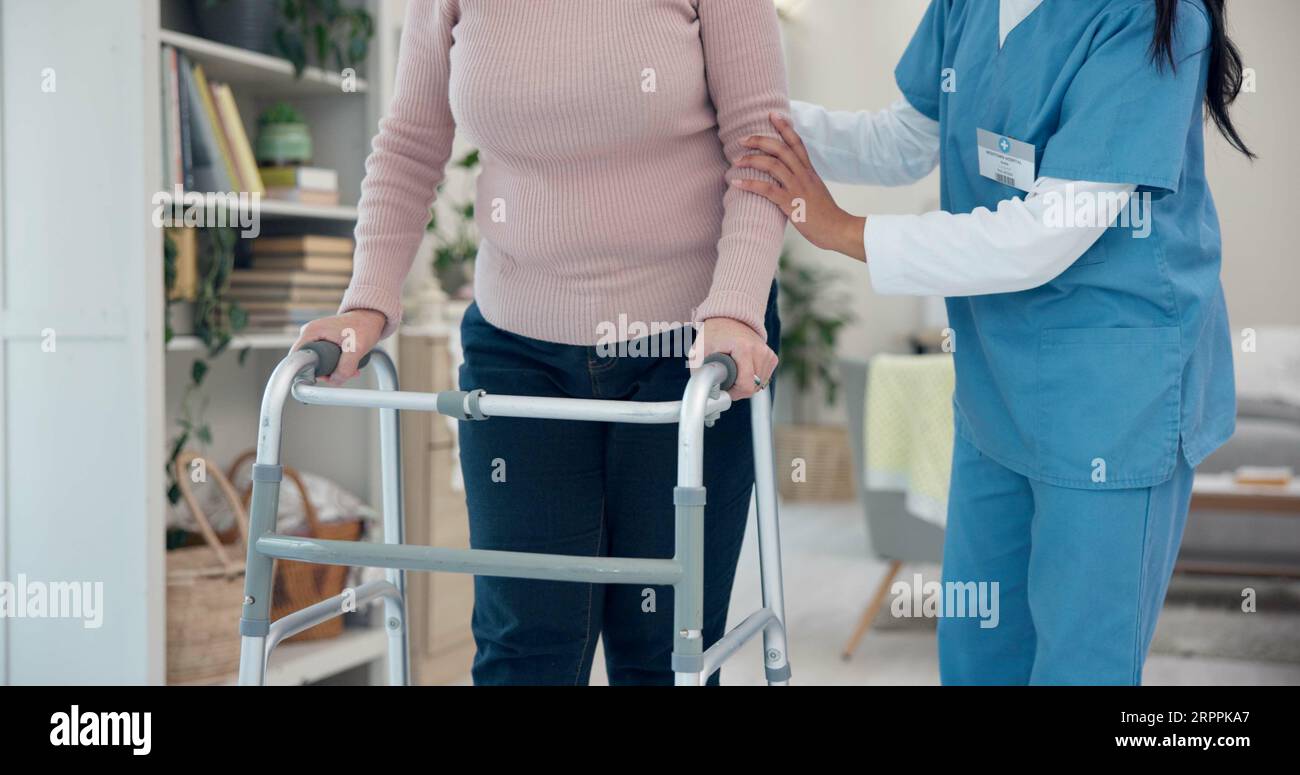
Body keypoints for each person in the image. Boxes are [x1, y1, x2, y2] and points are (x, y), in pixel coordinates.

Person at [733, 0, 1252, 684]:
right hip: (996, 389)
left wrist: (845, 230)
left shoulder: (1152, 17)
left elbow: (1048, 232)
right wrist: (756, 117)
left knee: (1079, 666)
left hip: (1114, 400)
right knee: (979, 654)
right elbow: (905, 139)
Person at [293, 0, 788, 685]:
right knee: (525, 644)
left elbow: (762, 142)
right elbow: (410, 143)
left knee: (663, 644)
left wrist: (734, 307)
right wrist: (368, 301)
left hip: (692, 346)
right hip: (517, 345)